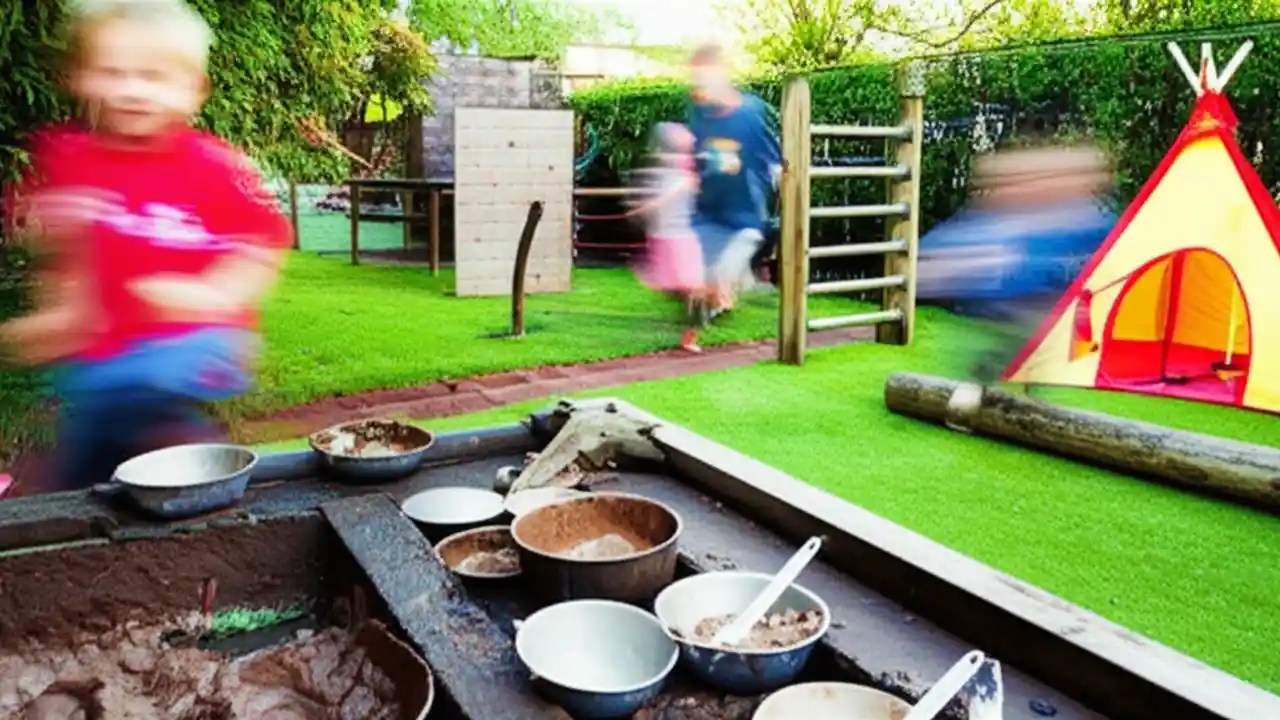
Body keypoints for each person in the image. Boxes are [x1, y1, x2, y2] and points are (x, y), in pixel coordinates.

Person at [0, 0, 292, 492]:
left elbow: (264, 240)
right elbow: (63, 261)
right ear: (81, 76)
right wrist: (52, 303)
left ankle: (185, 465)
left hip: (187, 344)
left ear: (193, 89)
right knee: (88, 441)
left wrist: (215, 294)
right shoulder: (68, 157)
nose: (132, 90)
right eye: (112, 72)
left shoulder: (210, 164)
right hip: (101, 359)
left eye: (154, 76)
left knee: (142, 417)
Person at [916, 143, 1114, 412]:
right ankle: (977, 384)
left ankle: (1027, 395)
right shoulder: (1022, 221)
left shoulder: (1081, 217)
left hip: (1044, 295)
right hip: (1017, 296)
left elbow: (1098, 246)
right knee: (1019, 336)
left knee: (1045, 341)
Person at [686, 44, 781, 316]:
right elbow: (696, 158)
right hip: (708, 216)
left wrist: (779, 176)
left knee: (719, 277)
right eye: (696, 80)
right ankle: (724, 293)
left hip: (745, 219)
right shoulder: (700, 115)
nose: (700, 88)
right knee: (699, 283)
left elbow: (777, 160)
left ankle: (731, 285)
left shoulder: (751, 114)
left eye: (705, 79)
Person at [634, 123, 705, 353]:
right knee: (679, 288)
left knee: (692, 289)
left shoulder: (685, 178)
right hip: (667, 237)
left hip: (680, 237)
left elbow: (669, 197)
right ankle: (690, 332)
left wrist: (647, 207)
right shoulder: (668, 174)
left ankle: (690, 336)